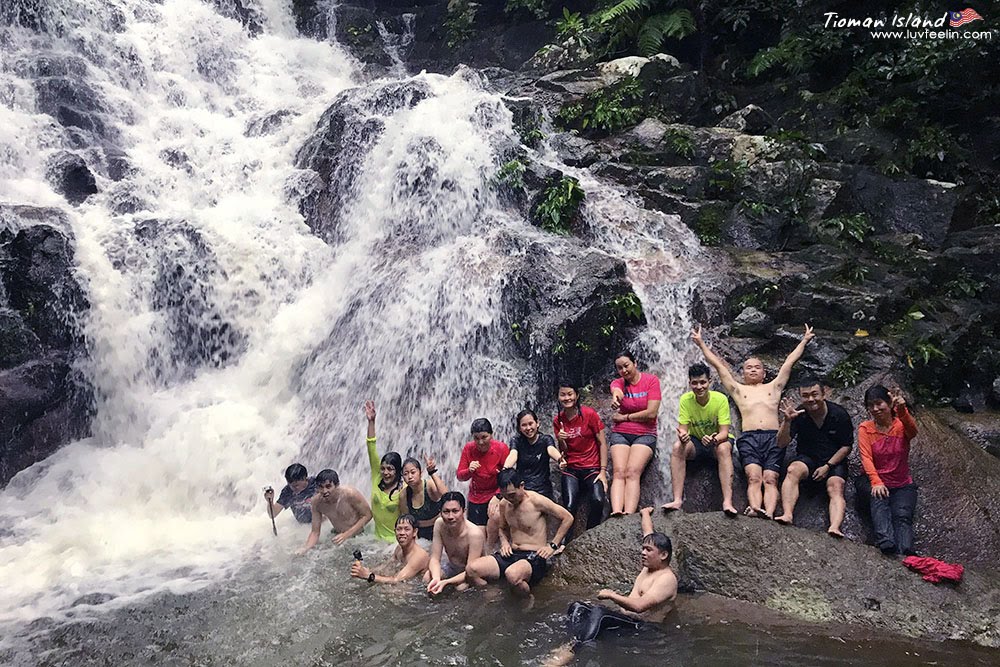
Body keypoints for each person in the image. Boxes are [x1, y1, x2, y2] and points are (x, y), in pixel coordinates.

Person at [692, 323, 814, 519]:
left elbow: (789, 363)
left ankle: (770, 512)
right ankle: (756, 508)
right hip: (748, 437)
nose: (753, 370)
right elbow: (719, 367)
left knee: (771, 478)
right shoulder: (739, 390)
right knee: (754, 477)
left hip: (773, 437)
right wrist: (700, 344)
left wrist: (805, 340)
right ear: (743, 373)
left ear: (764, 373)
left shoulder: (774, 388)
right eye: (749, 368)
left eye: (758, 367)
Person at [545, 507, 678, 666]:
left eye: (648, 550)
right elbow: (647, 531)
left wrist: (611, 595)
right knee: (577, 607)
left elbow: (639, 606)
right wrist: (645, 514)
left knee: (600, 613)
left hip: (643, 628)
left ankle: (572, 651)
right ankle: (571, 642)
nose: (643, 552)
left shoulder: (666, 579)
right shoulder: (650, 566)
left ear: (663, 555)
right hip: (626, 618)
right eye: (643, 548)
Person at [465, 469, 574, 596]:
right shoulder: (504, 504)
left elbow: (568, 518)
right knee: (471, 570)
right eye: (505, 495)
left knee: (512, 575)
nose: (510, 499)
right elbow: (502, 528)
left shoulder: (536, 501)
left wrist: (553, 545)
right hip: (511, 554)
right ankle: (493, 595)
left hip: (534, 556)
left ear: (521, 486)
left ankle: (527, 600)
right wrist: (504, 542)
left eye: (512, 494)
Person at [773, 377, 853, 536]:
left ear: (824, 394)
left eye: (814, 394)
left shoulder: (839, 414)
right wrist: (787, 421)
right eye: (805, 395)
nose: (810, 399)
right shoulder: (800, 414)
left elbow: (846, 446)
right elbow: (781, 443)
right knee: (792, 470)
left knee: (835, 486)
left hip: (834, 461)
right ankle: (787, 514)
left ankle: (835, 527)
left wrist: (828, 466)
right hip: (808, 459)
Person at [661, 363, 737, 515]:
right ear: (689, 383)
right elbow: (683, 428)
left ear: (710, 381)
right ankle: (677, 500)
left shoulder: (720, 399)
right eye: (694, 383)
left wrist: (714, 439)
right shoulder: (685, 400)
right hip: (696, 442)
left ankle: (728, 502)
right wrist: (683, 436)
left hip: (717, 440)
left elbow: (724, 432)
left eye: (703, 382)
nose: (699, 386)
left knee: (723, 448)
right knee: (677, 447)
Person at [856, 385, 919, 556]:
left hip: (901, 483)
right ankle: (885, 542)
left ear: (889, 403)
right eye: (870, 405)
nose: (875, 409)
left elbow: (913, 431)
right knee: (879, 497)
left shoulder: (901, 425)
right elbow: (866, 457)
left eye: (879, 403)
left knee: (902, 515)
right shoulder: (865, 428)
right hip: (872, 480)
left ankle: (906, 550)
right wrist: (876, 482)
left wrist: (902, 409)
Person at [609, 352, 662, 516]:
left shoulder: (651, 381)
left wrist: (625, 417)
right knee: (618, 471)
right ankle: (616, 511)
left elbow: (652, 413)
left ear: (635, 363)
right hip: (621, 433)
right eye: (619, 368)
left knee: (632, 471)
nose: (624, 370)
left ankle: (629, 513)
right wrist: (616, 397)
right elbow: (616, 390)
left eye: (626, 365)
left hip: (645, 433)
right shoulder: (618, 383)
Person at [553, 383, 609, 531]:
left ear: (577, 395)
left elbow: (602, 443)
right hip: (571, 469)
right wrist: (560, 439)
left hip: (591, 468)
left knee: (598, 500)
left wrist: (603, 471)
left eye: (570, 394)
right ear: (558, 397)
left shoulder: (589, 414)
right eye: (563, 395)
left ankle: (590, 534)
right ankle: (564, 543)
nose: (567, 398)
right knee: (570, 505)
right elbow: (563, 450)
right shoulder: (558, 420)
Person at [297, 469, 373, 554]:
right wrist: (305, 548)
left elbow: (368, 515)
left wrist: (347, 534)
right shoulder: (317, 502)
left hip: (361, 536)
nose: (324, 491)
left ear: (337, 485)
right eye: (321, 487)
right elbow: (315, 532)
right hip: (338, 535)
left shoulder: (350, 494)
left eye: (328, 486)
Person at [426, 491, 486, 595]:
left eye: (455, 511)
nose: (450, 516)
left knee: (461, 588)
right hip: (452, 567)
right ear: (440, 512)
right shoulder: (439, 524)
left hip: (472, 573)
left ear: (464, 511)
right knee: (427, 577)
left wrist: (446, 582)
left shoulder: (474, 534)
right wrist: (436, 579)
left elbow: (470, 571)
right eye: (446, 511)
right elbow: (435, 558)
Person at [456, 418, 509, 528]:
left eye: (484, 437)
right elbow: (460, 476)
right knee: (476, 532)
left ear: (492, 435)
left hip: (495, 493)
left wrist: (498, 496)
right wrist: (469, 471)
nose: (480, 442)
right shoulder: (468, 448)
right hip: (475, 496)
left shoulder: (501, 448)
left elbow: (508, 476)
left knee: (495, 523)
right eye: (476, 438)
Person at [350, 514, 430, 584]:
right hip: (408, 578)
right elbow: (387, 565)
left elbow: (397, 580)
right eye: (399, 529)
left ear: (415, 532)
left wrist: (369, 576)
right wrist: (367, 570)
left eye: (406, 529)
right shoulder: (399, 548)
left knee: (395, 591)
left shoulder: (419, 556)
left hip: (418, 587)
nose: (402, 533)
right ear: (395, 532)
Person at [364, 400, 402, 541]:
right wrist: (371, 422)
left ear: (398, 471)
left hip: (395, 543)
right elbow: (371, 446)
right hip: (375, 541)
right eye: (383, 469)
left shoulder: (403, 489)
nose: (385, 473)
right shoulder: (377, 477)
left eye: (390, 469)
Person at [504, 409, 560, 499]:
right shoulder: (516, 441)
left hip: (543, 489)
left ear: (537, 423)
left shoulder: (545, 439)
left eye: (530, 423)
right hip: (523, 489)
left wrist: (560, 459)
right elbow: (513, 454)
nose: (528, 428)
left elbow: (551, 450)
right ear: (519, 428)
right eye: (524, 425)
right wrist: (505, 469)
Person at [400, 455, 448, 540]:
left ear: (421, 473)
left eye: (413, 472)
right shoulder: (403, 495)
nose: (410, 477)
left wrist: (432, 472)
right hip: (418, 533)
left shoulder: (429, 486)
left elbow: (446, 496)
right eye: (405, 474)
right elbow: (407, 520)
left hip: (438, 530)